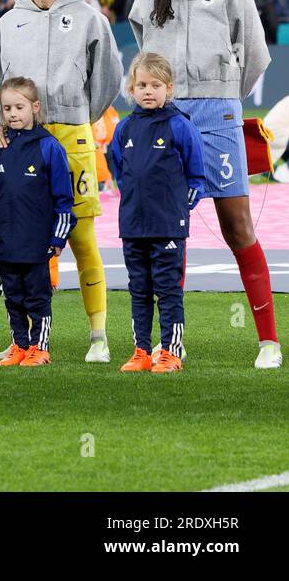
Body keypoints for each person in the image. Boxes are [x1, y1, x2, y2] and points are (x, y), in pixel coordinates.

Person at [128, 0, 281, 369]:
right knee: (172, 232)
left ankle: (269, 343)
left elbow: (255, 57)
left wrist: (222, 95)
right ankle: (172, 342)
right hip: (169, 118)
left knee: (238, 227)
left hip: (218, 117)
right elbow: (144, 52)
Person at [0, 0, 123, 363]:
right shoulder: (8, 23)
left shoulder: (89, 19)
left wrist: (79, 115)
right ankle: (26, 340)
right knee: (19, 237)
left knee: (79, 236)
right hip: (17, 140)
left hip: (70, 135)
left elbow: (108, 78)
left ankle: (98, 336)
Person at [107, 52, 205, 374]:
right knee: (138, 288)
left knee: (166, 288)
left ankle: (171, 351)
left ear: (169, 88)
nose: (148, 91)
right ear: (132, 90)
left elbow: (196, 175)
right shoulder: (124, 129)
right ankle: (141, 350)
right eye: (142, 85)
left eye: (155, 85)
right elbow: (120, 168)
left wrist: (178, 207)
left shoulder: (180, 126)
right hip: (133, 224)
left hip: (168, 225)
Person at [0, 78, 75, 368]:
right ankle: (20, 345)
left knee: (37, 297)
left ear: (35, 107)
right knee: (12, 296)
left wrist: (58, 239)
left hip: (37, 240)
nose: (13, 113)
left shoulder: (49, 147)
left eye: (19, 107)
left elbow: (64, 199)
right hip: (7, 238)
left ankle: (40, 347)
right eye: (7, 108)